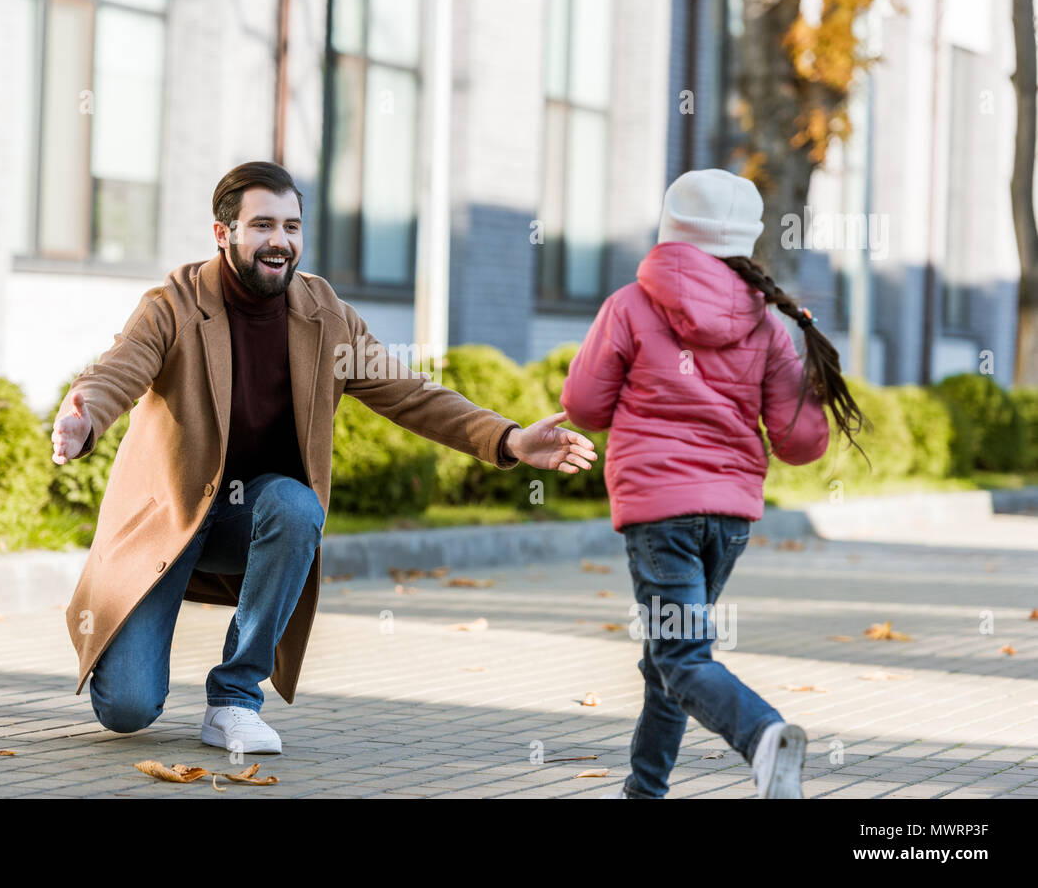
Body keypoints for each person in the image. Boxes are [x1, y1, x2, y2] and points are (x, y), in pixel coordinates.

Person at [51, 160, 598, 755]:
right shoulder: (176, 303)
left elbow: (410, 393)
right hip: (168, 521)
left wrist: (509, 439)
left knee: (295, 504)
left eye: (292, 226)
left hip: (252, 516)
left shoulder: (324, 314)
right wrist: (86, 414)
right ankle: (129, 619)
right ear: (223, 233)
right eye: (262, 225)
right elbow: (121, 368)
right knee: (127, 710)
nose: (279, 242)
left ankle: (234, 699)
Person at [560, 168, 867, 799]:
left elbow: (585, 406)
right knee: (668, 659)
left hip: (658, 513)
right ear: (744, 241)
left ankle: (764, 738)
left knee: (679, 658)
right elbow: (800, 442)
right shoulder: (766, 324)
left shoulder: (630, 305)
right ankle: (644, 792)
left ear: (671, 230)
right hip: (728, 520)